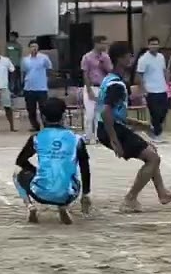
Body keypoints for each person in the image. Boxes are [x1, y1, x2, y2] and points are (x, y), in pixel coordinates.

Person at [97, 41, 171, 213]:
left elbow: (114, 112)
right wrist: (114, 140)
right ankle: (130, 199)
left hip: (112, 127)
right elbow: (106, 113)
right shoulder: (116, 84)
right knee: (153, 158)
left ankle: (162, 193)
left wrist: (138, 124)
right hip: (112, 129)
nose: (131, 58)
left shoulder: (111, 80)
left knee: (151, 153)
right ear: (120, 59)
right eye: (129, 55)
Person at [13, 96, 92, 225]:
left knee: (17, 174)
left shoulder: (36, 138)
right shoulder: (76, 139)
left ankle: (30, 206)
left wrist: (35, 171)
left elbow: (20, 161)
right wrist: (86, 194)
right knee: (70, 172)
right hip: (69, 194)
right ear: (64, 116)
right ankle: (63, 206)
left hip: (39, 193)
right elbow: (85, 168)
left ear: (43, 117)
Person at [135, 36, 170, 142]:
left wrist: (167, 77)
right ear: (148, 45)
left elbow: (163, 71)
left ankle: (154, 130)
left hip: (162, 88)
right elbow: (139, 75)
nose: (154, 46)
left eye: (156, 44)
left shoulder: (161, 57)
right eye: (152, 44)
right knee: (155, 113)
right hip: (150, 90)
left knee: (163, 111)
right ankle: (157, 134)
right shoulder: (143, 59)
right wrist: (143, 89)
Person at [79, 35, 111, 142]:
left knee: (100, 114)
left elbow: (110, 71)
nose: (105, 45)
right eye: (103, 43)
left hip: (102, 87)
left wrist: (104, 63)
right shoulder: (87, 57)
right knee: (89, 114)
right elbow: (85, 74)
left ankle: (99, 136)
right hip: (91, 86)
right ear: (97, 43)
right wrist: (89, 90)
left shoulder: (106, 57)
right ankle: (88, 136)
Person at [21, 40, 52, 132]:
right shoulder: (25, 60)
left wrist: (46, 80)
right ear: (29, 48)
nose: (34, 48)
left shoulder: (44, 58)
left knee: (44, 108)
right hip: (29, 87)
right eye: (32, 46)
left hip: (41, 88)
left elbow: (49, 69)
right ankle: (35, 125)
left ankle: (46, 125)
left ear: (38, 48)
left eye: (35, 46)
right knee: (31, 109)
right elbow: (23, 72)